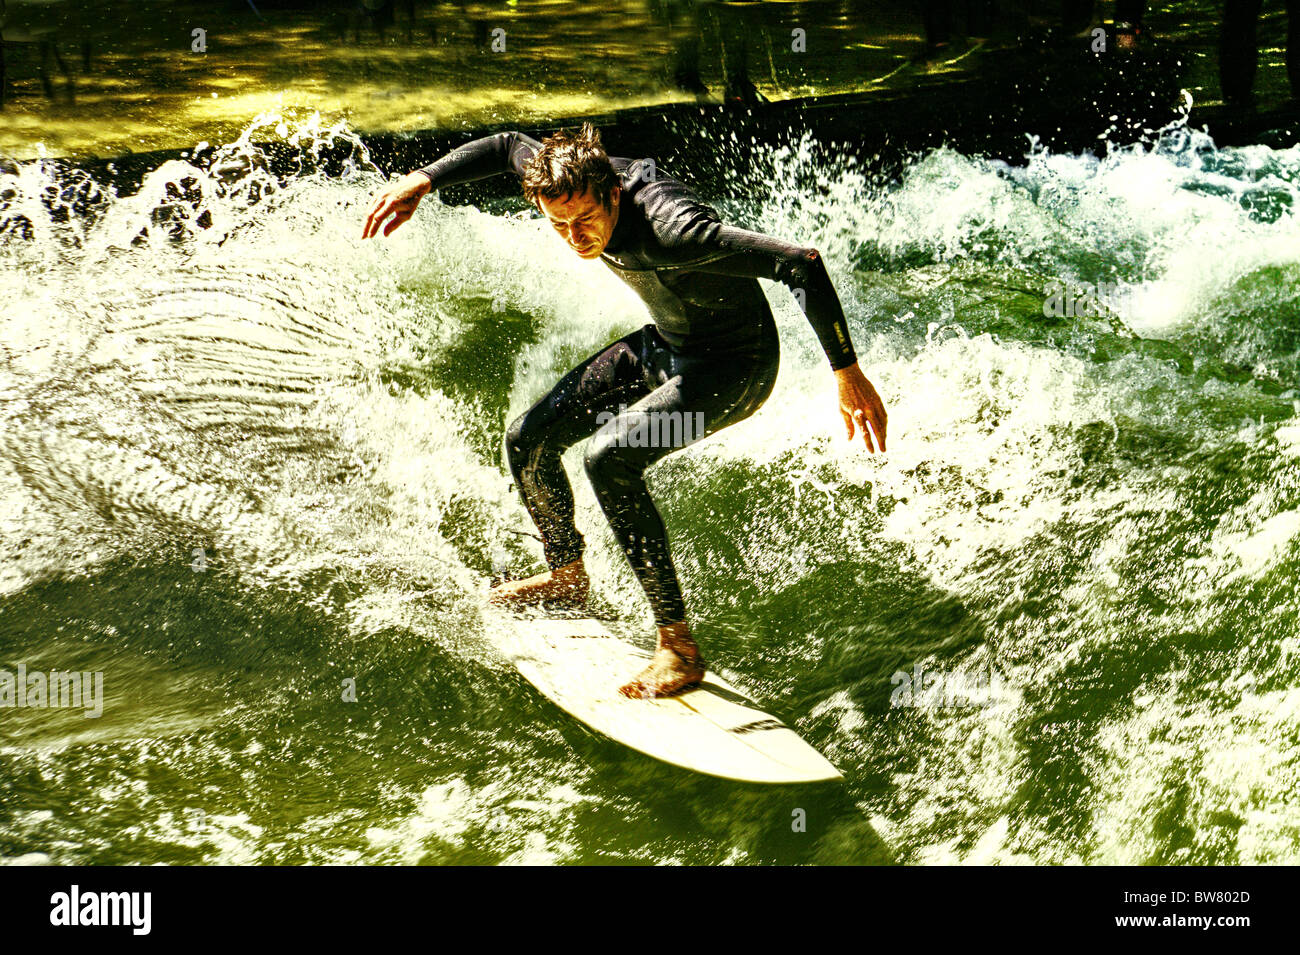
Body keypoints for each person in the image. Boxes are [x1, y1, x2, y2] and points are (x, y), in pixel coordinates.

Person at [362, 124, 888, 698]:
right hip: (669, 344)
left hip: (734, 371)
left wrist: (848, 374)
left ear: (613, 192)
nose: (574, 236)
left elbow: (802, 262)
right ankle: (566, 577)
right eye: (558, 225)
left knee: (609, 458)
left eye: (584, 220)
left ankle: (678, 647)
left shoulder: (674, 230)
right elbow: (504, 143)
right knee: (527, 439)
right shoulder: (565, 174)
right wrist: (422, 180)